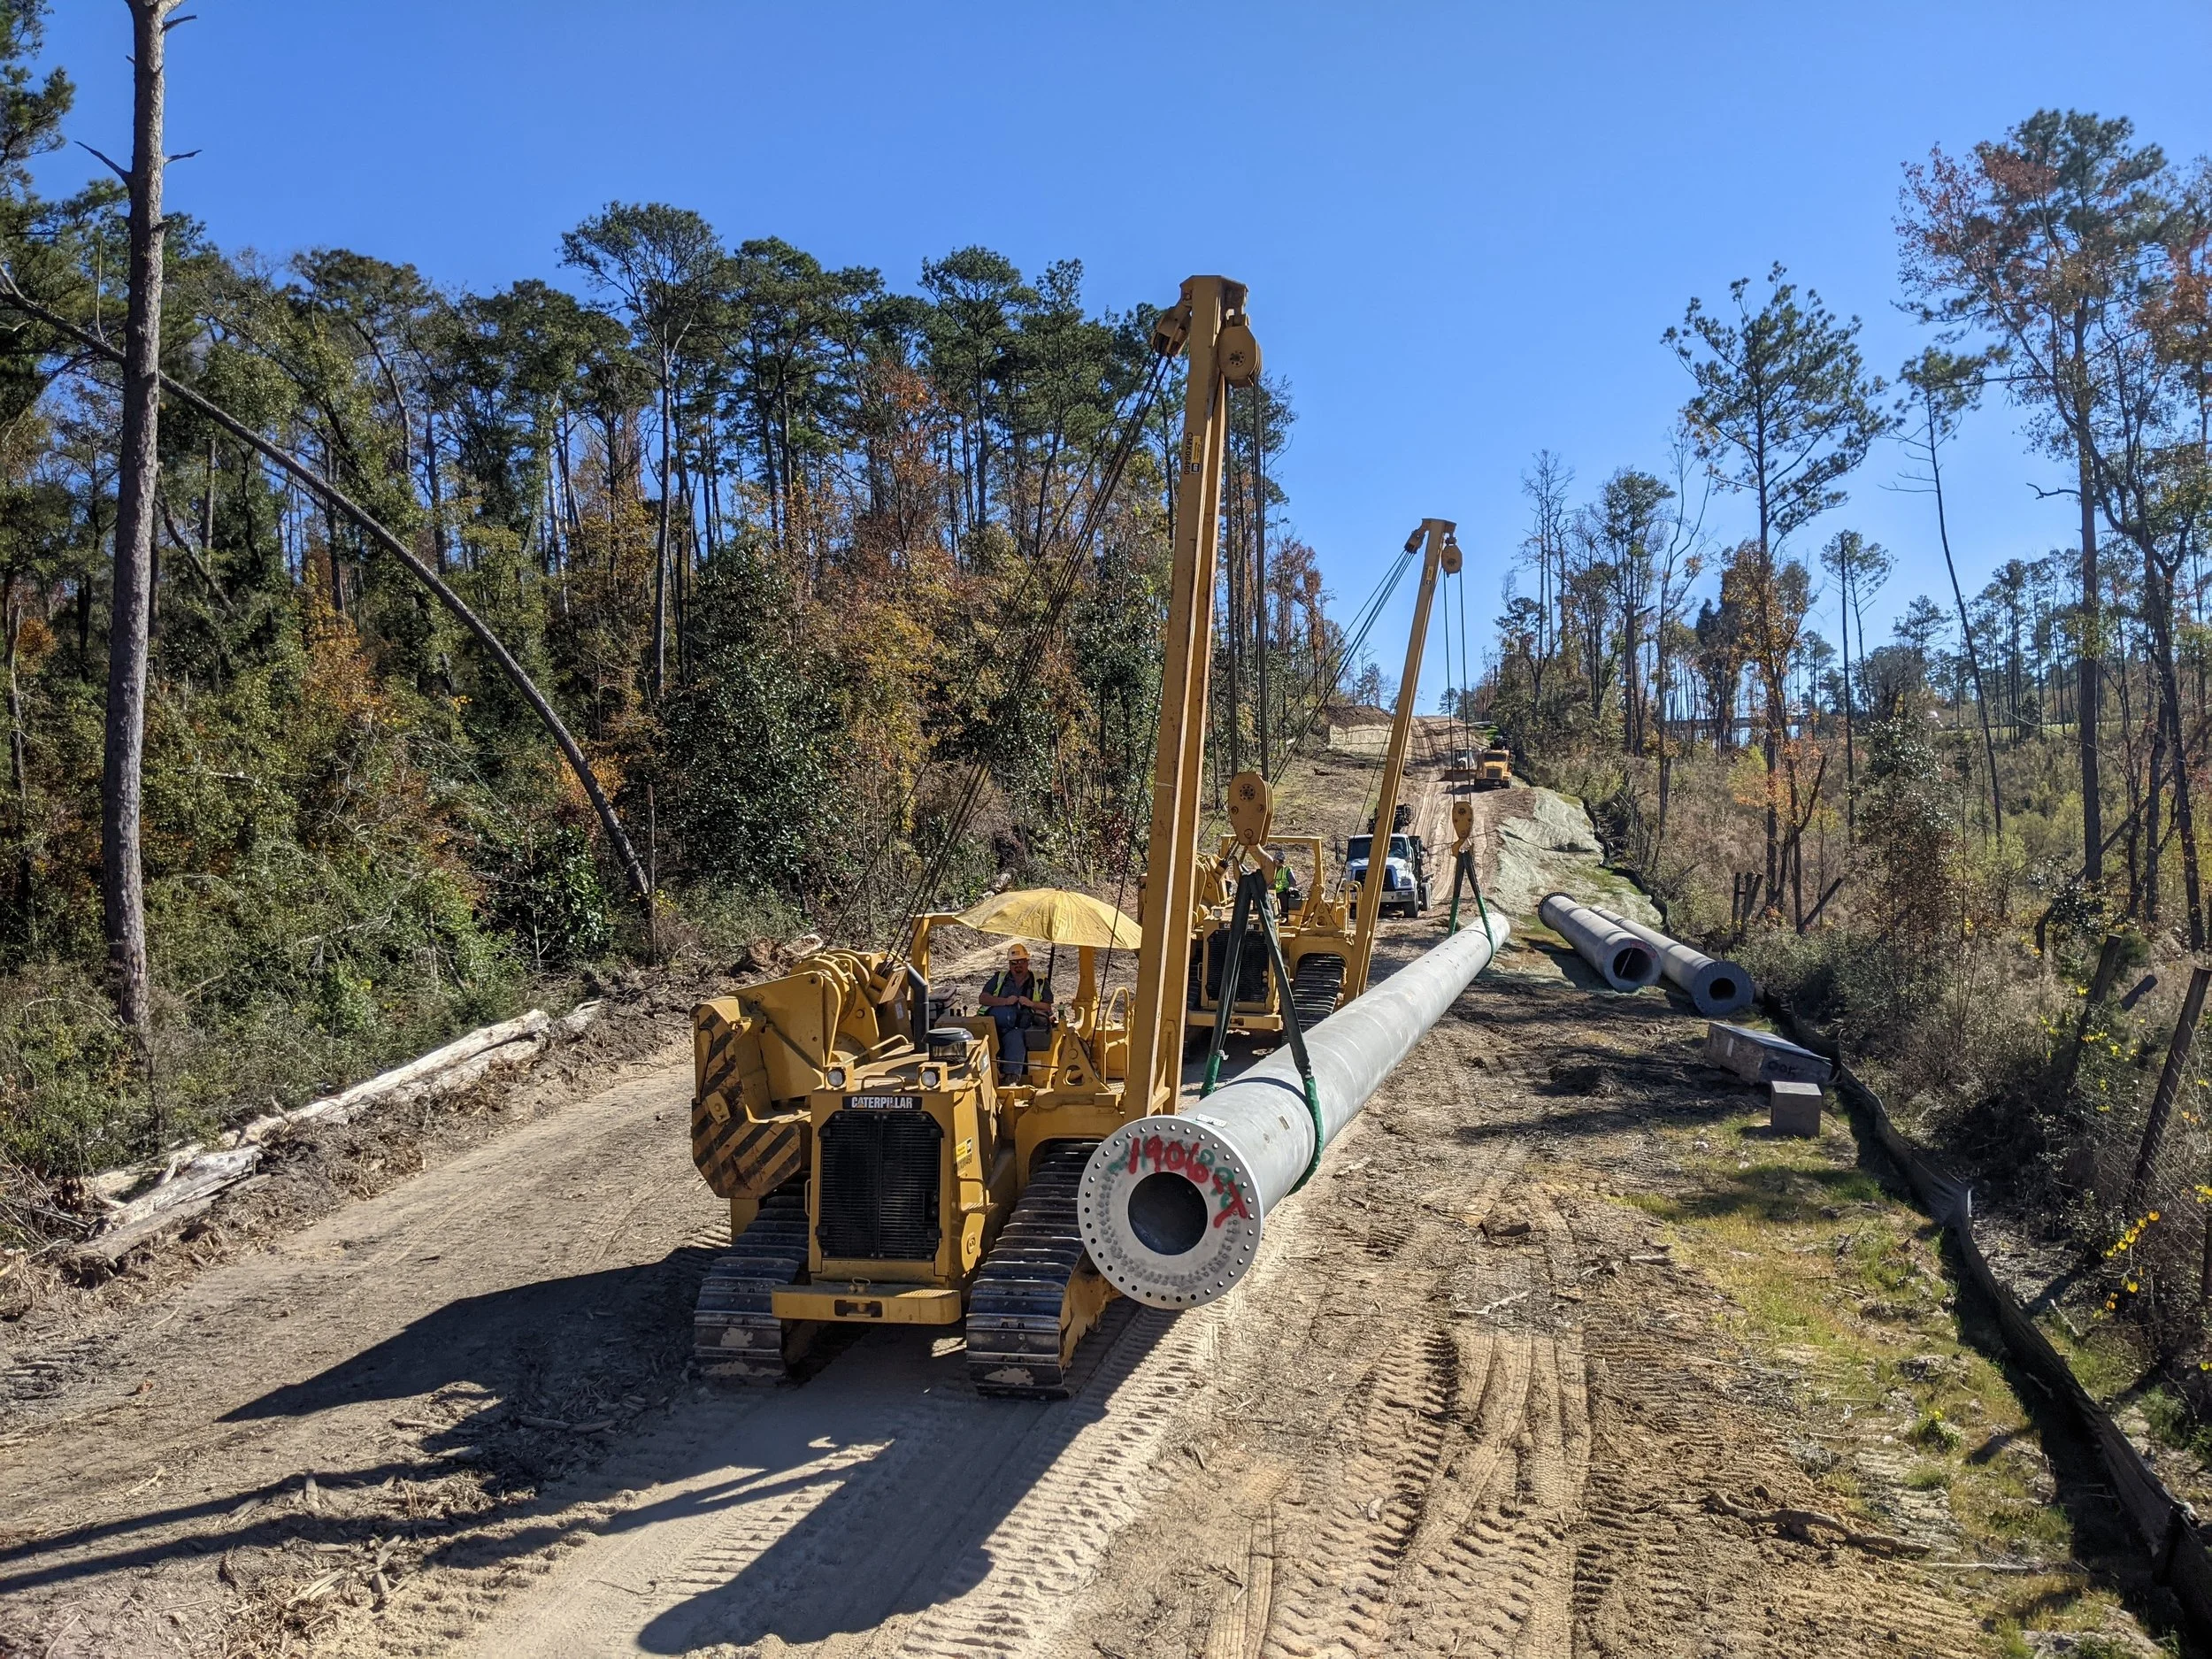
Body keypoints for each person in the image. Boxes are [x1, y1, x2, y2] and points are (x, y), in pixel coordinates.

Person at [979, 944, 1052, 1082]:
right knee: (980, 1036)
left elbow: (1047, 1006)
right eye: (1014, 962)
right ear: (1009, 963)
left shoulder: (1039, 980)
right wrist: (1005, 1001)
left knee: (1016, 1038)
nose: (1018, 965)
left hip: (1021, 1026)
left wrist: (1031, 1003)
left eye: (1021, 961)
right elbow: (983, 998)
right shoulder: (999, 978)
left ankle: (1011, 1079)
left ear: (1027, 961)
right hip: (994, 1025)